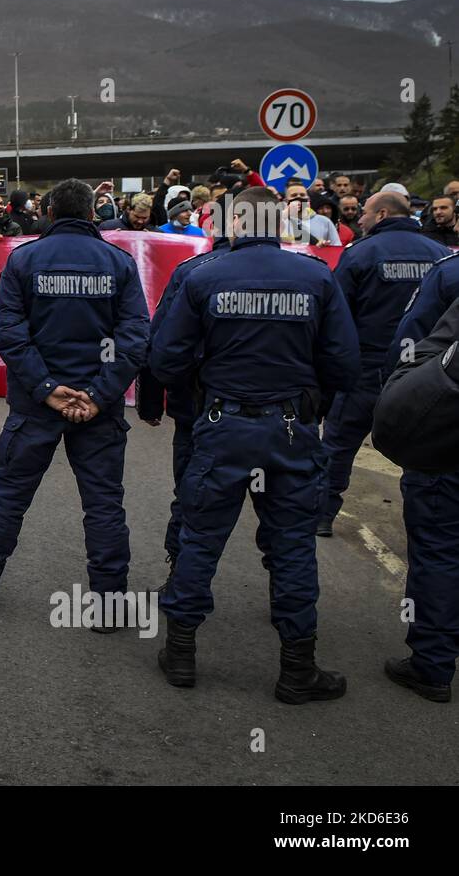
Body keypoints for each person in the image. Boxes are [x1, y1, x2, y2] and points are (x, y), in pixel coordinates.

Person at [149, 186, 360, 702]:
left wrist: (202, 386)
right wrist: (310, 399)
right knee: (291, 545)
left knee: (201, 537)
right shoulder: (316, 276)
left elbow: (165, 360)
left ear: (234, 222)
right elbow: (344, 364)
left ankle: (180, 653)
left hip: (223, 424)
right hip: (291, 430)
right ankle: (297, 668)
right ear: (281, 222)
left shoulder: (203, 277)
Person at [0, 178, 149, 624]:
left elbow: (10, 333)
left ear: (50, 213)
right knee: (103, 503)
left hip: (36, 406)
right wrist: (98, 394)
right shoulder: (119, 263)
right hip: (99, 408)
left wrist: (45, 389)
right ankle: (110, 606)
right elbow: (135, 338)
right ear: (93, 213)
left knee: (10, 493)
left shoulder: (25, 259)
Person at [317, 189, 446, 536]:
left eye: (366, 213)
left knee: (339, 443)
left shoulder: (360, 253)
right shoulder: (441, 255)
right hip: (427, 372)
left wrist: (334, 371)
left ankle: (322, 513)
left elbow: (337, 316)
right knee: (424, 447)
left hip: (367, 366)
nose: (359, 219)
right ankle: (427, 527)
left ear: (383, 215)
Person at [375, 254, 459, 702]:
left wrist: (398, 401)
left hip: (445, 444)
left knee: (439, 551)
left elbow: (408, 348)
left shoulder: (448, 272)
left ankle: (432, 663)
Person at [136, 228, 233, 590]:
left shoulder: (194, 272)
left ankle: (182, 598)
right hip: (286, 419)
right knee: (286, 526)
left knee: (194, 498)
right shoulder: (310, 274)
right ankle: (296, 637)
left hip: (201, 411)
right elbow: (336, 355)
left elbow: (162, 346)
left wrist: (153, 403)